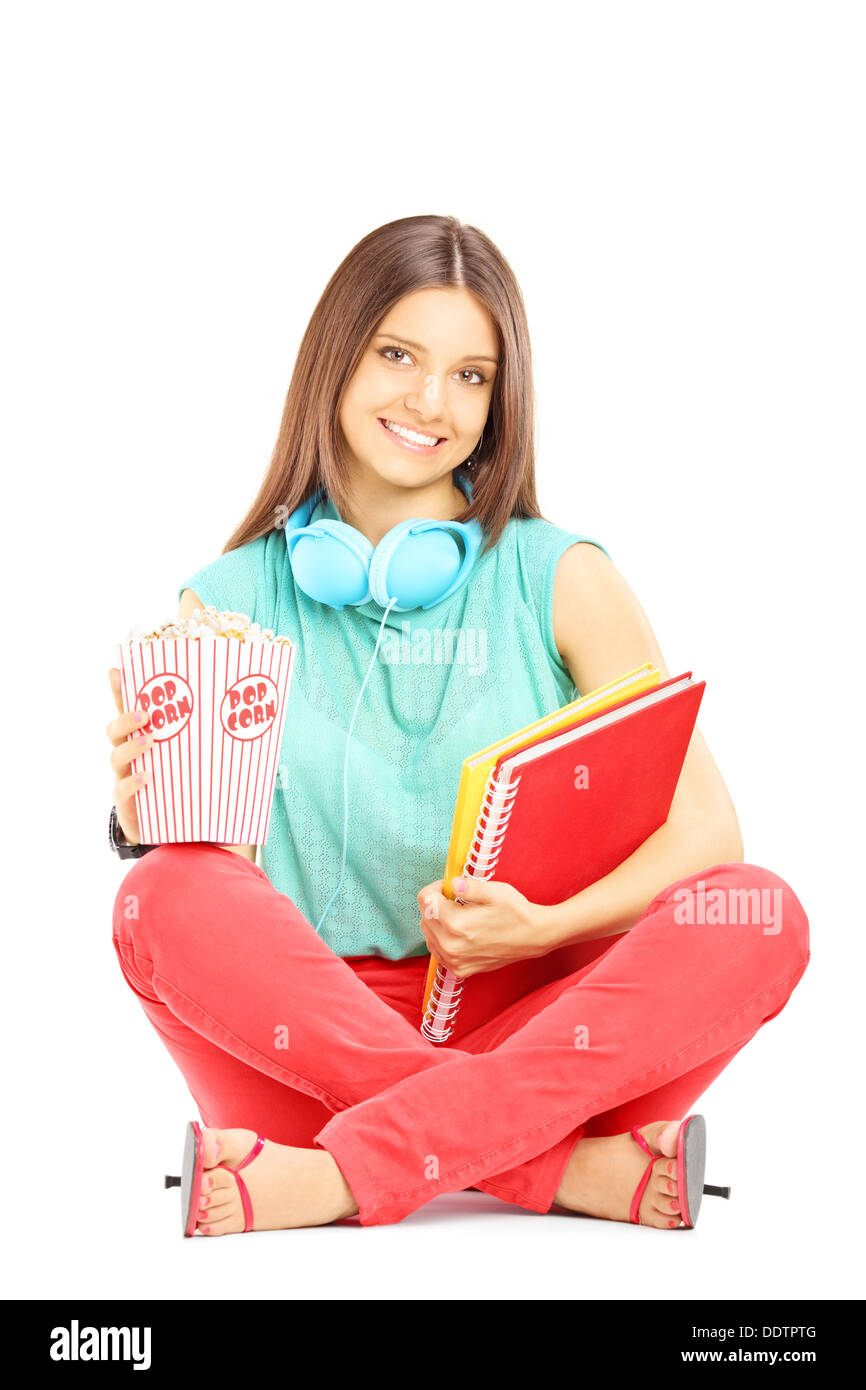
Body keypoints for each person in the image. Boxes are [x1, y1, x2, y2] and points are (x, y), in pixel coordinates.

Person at [107, 214, 810, 1234]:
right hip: (307, 1050)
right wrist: (148, 814)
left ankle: (341, 1176)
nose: (429, 402)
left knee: (757, 914)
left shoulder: (561, 577)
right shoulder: (225, 599)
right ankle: (557, 1170)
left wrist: (545, 926)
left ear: (499, 400)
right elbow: (221, 890)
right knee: (158, 894)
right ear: (333, 359)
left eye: (470, 375)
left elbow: (707, 830)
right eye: (398, 354)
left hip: (543, 1038)